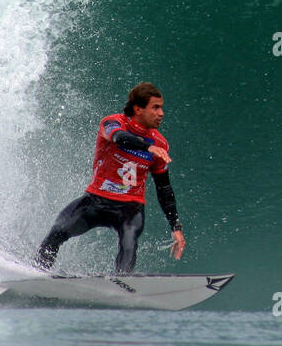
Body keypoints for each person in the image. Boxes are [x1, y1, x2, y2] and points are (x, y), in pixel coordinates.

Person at [35, 83, 186, 273]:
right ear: (138, 109)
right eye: (155, 107)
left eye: (161, 107)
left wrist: (176, 226)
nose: (161, 113)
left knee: (129, 240)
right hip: (95, 201)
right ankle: (36, 273)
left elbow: (164, 188)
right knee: (57, 232)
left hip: (129, 208)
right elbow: (119, 137)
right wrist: (146, 147)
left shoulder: (160, 144)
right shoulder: (113, 123)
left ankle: (122, 282)